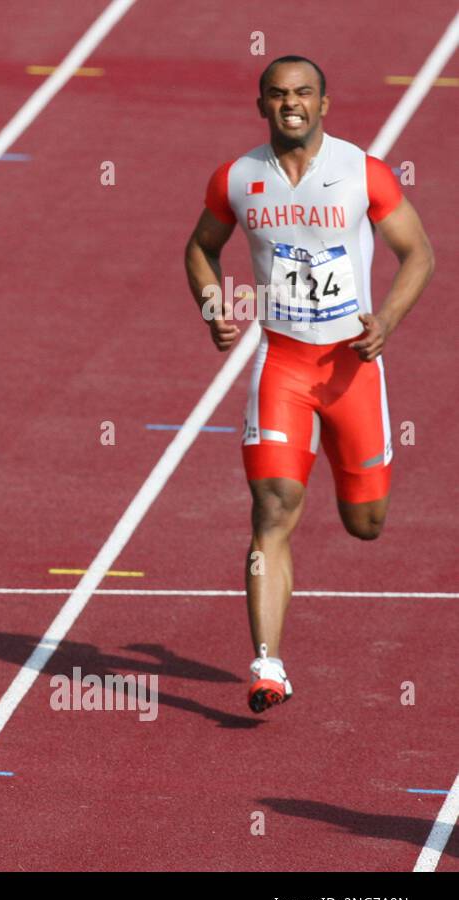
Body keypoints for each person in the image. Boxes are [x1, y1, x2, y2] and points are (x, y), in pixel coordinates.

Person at [184, 56, 433, 713]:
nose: (290, 103)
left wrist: (387, 320)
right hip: (284, 366)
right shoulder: (238, 178)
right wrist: (214, 305)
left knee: (366, 523)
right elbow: (200, 248)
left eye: (302, 94)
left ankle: (355, 485)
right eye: (277, 94)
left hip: (352, 368)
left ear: (324, 103)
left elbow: (419, 253)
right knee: (271, 511)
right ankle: (268, 665)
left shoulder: (362, 172)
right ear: (261, 104)